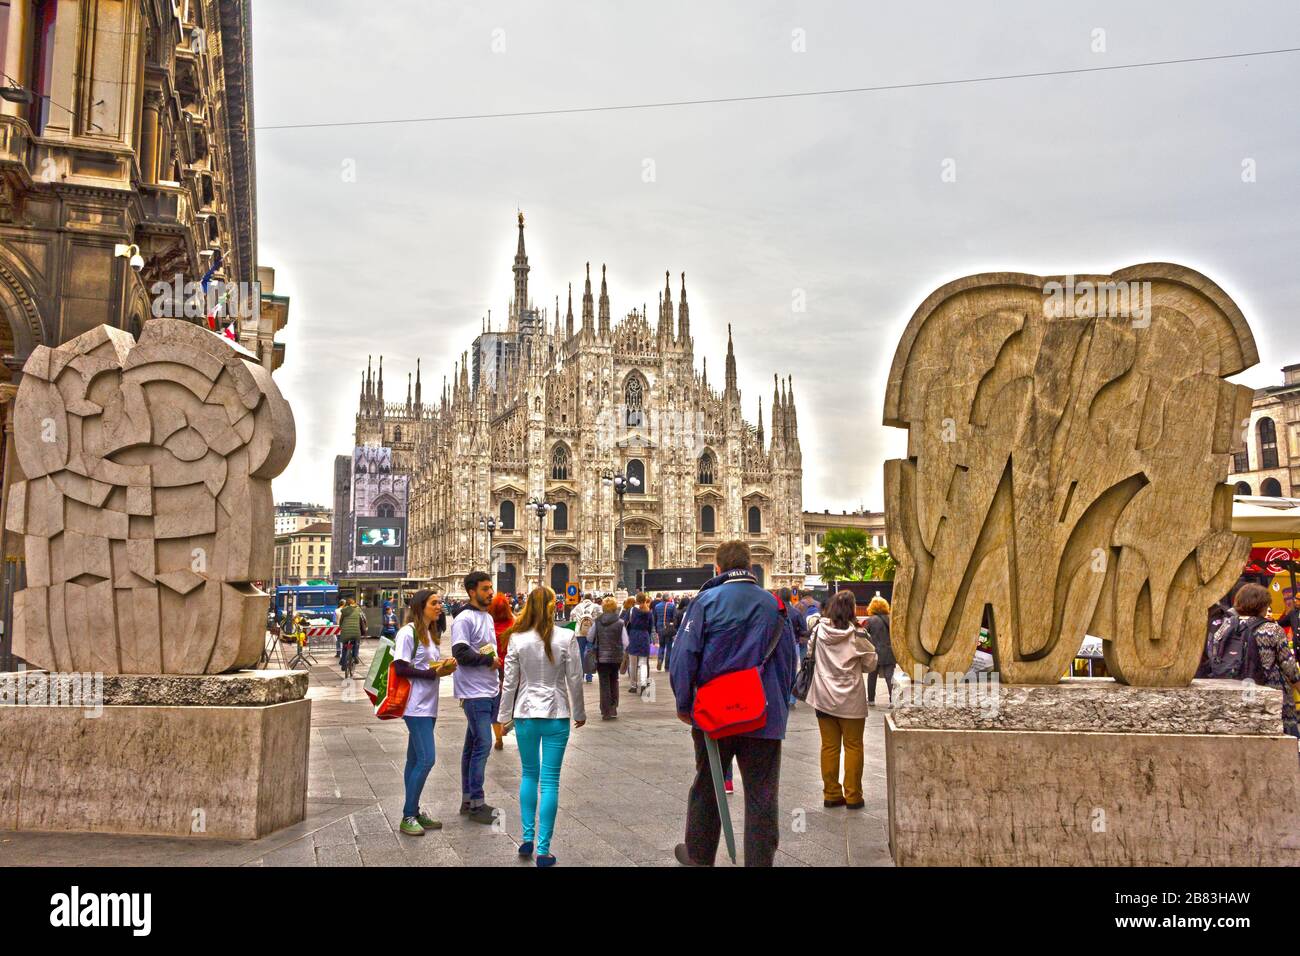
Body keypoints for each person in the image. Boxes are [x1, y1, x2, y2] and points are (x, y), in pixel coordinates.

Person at [670, 540, 797, 868]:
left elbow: (684, 657)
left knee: (708, 785)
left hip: (714, 715)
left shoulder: (705, 602)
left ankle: (699, 856)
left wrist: (685, 704)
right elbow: (789, 663)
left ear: (717, 568)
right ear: (751, 566)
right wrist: (777, 706)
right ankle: (759, 862)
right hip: (763, 713)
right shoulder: (774, 606)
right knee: (762, 794)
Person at [499, 587, 587, 866]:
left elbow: (509, 682)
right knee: (550, 782)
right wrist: (580, 712)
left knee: (529, 775)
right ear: (553, 606)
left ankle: (526, 838)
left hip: (525, 714)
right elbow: (575, 678)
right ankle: (544, 850)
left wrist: (503, 717)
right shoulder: (567, 636)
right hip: (556, 715)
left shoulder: (517, 639)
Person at [393, 588, 458, 836]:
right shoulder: (407, 633)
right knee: (427, 759)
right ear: (421, 606)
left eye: (440, 602)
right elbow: (400, 667)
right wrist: (434, 673)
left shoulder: (431, 634)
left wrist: (444, 666)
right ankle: (408, 815)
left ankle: (414, 811)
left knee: (414, 760)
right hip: (414, 705)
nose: (439, 606)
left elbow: (425, 665)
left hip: (429, 704)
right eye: (434, 603)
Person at [804, 591, 877, 809]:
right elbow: (871, 663)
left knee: (829, 746)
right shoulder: (858, 634)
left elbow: (810, 654)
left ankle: (832, 793)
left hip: (824, 696)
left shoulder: (818, 630)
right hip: (851, 699)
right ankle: (854, 795)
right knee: (853, 745)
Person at [1210, 582, 1300, 737]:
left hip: (1234, 692)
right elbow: (1290, 669)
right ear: (1263, 605)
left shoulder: (1224, 628)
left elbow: (1214, 657)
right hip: (1271, 695)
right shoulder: (1272, 630)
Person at [451, 570, 501, 823]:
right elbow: (460, 653)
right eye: (485, 588)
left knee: (472, 747)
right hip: (474, 693)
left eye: (491, 587)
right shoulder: (464, 619)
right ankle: (477, 804)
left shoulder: (486, 617)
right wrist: (488, 660)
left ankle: (468, 800)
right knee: (483, 744)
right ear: (472, 591)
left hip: (488, 688)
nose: (491, 592)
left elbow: (484, 648)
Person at [588, 597, 630, 719]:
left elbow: (590, 638)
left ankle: (605, 710)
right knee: (614, 680)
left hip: (601, 657)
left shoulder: (597, 621)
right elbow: (626, 642)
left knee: (604, 683)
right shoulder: (620, 622)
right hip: (616, 657)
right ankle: (613, 708)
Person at [489, 592, 516, 750]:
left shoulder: (489, 625)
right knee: (515, 703)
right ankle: (510, 728)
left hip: (495, 667)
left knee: (496, 705)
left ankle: (499, 738)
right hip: (511, 669)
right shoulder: (514, 624)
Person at [863, 596, 896, 707]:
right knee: (889, 676)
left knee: (872, 676)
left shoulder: (870, 621)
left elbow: (864, 636)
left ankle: (871, 700)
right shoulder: (891, 619)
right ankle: (893, 700)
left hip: (874, 652)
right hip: (889, 651)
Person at [780, 587, 807, 706]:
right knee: (793, 670)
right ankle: (791, 699)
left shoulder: (773, 611)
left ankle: (780, 696)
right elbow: (803, 631)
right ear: (790, 597)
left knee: (778, 670)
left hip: (776, 645)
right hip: (793, 644)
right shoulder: (796, 613)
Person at [626, 593, 655, 693]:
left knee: (632, 663)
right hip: (644, 636)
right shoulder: (649, 612)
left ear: (636, 600)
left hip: (633, 636)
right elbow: (651, 627)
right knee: (643, 663)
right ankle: (643, 684)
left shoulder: (632, 611)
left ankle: (633, 686)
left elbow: (626, 623)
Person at [338, 598, 362, 672]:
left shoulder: (344, 610)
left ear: (346, 604)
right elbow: (361, 621)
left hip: (345, 633)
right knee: (356, 643)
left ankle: (343, 664)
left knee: (345, 648)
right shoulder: (358, 609)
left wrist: (341, 627)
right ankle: (355, 656)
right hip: (355, 632)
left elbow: (341, 621)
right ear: (354, 603)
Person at [656, 593, 679, 670]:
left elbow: (655, 618)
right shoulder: (672, 606)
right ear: (669, 598)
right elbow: (675, 618)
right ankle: (667, 666)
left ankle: (660, 659)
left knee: (661, 645)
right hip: (669, 628)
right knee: (669, 647)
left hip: (660, 628)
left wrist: (656, 629)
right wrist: (674, 627)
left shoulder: (657, 606)